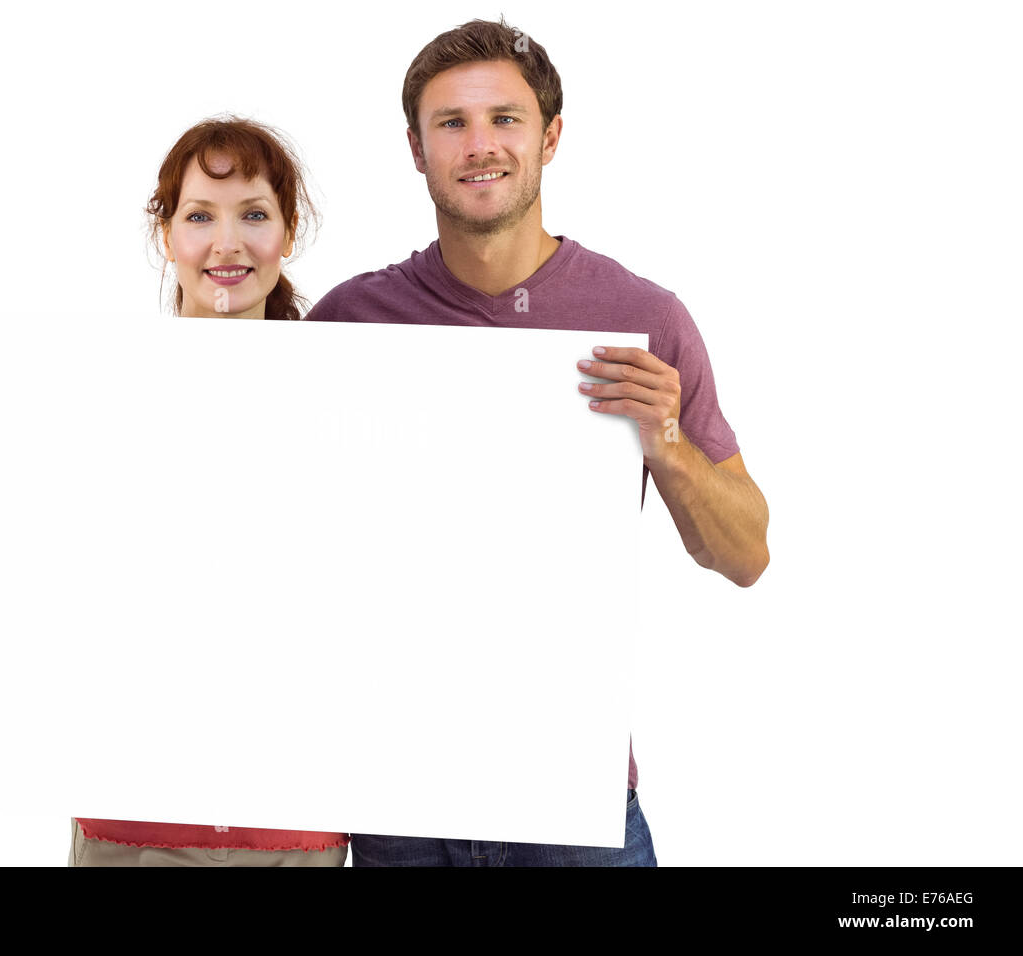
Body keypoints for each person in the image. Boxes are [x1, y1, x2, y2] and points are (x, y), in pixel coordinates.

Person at [302, 18, 770, 866]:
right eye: (451, 124)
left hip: (574, 799)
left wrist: (666, 443)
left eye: (505, 119)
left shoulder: (643, 319)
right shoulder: (346, 321)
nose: (480, 145)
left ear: (550, 137)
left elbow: (745, 555)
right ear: (415, 148)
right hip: (399, 802)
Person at [0, 117, 350, 867]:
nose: (227, 243)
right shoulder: (87, 398)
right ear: (166, 236)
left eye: (255, 214)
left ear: (289, 234)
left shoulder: (354, 404)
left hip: (295, 833)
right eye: (200, 216)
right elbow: (13, 582)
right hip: (131, 834)